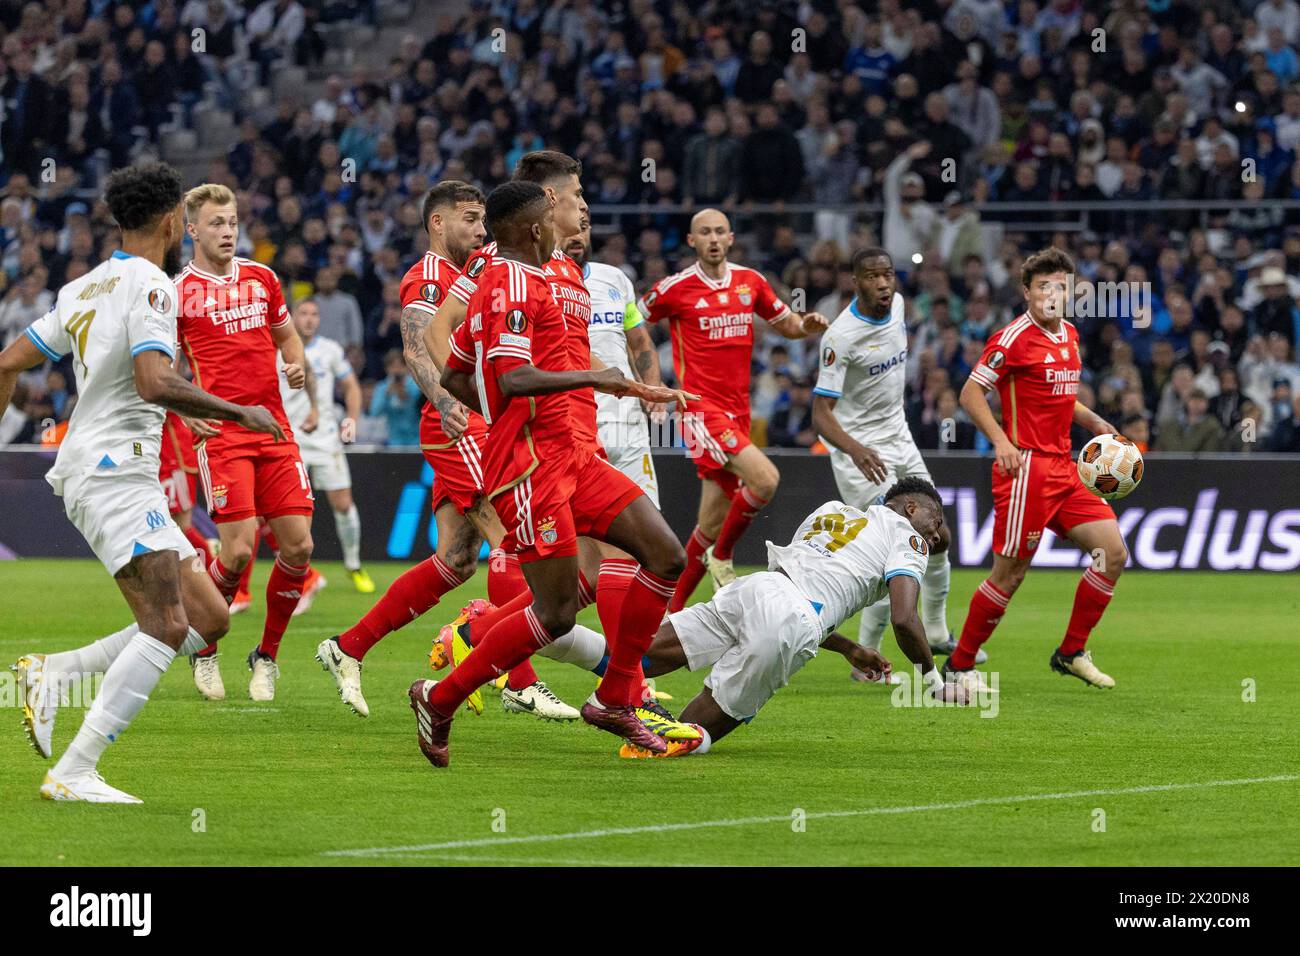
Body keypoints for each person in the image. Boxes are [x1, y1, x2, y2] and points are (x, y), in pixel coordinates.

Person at [0, 161, 282, 802]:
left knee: (209, 617)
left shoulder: (84, 288)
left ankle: (55, 673)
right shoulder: (156, 286)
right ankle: (75, 771)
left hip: (106, 470)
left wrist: (185, 410)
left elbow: (9, 362)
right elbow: (154, 380)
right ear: (172, 221)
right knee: (163, 623)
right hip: (113, 474)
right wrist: (237, 411)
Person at [410, 180, 697, 767]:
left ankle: (616, 694)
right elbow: (511, 377)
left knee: (666, 555)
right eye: (564, 203)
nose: (581, 212)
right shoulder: (510, 281)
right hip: (530, 471)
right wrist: (601, 381)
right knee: (557, 611)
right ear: (537, 226)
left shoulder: (555, 278)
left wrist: (612, 384)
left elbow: (463, 371)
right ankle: (439, 699)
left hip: (576, 457)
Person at [316, 180, 577, 721]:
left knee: (457, 560)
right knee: (513, 538)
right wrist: (447, 399)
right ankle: (518, 680)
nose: (481, 229)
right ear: (438, 223)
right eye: (470, 219)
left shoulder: (480, 266)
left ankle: (348, 647)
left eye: (484, 219)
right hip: (458, 425)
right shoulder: (428, 277)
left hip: (477, 426)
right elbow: (418, 347)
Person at [624, 479, 971, 757]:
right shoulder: (910, 538)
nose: (937, 534)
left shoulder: (832, 510)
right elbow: (904, 619)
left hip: (756, 587)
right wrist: (933, 684)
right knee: (685, 737)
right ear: (911, 507)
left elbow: (795, 588)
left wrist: (849, 648)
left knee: (636, 657)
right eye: (936, 520)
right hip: (792, 621)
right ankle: (652, 739)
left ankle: (570, 644)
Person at [951, 248, 1128, 689]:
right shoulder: (1011, 339)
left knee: (1113, 554)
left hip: (1065, 468)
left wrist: (1092, 421)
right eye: (1044, 286)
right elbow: (971, 395)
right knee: (1009, 575)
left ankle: (1071, 652)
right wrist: (1000, 441)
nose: (1053, 294)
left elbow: (1060, 396)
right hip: (1025, 470)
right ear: (1027, 291)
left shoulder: (1068, 333)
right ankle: (959, 667)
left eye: (1061, 286)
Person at [636, 208, 829, 609]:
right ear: (691, 241)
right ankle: (723, 557)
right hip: (700, 410)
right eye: (704, 232)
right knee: (766, 480)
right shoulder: (675, 288)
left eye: (719, 231)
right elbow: (633, 326)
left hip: (738, 413)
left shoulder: (751, 282)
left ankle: (667, 616)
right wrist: (650, 382)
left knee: (707, 526)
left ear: (730, 238)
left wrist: (806, 326)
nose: (712, 238)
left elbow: (787, 324)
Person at [175, 183, 317, 703]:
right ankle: (206, 650)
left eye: (232, 221)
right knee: (235, 553)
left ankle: (267, 657)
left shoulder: (263, 278)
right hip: (224, 437)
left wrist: (296, 363)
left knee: (299, 545)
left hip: (274, 429)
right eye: (216, 223)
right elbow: (160, 369)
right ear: (192, 229)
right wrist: (185, 410)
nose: (228, 231)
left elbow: (287, 337)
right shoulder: (176, 292)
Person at [811, 247, 981, 681]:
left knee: (936, 534)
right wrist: (854, 448)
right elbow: (820, 415)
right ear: (855, 281)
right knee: (893, 552)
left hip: (900, 439)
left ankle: (939, 629)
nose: (883, 283)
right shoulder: (840, 337)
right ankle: (869, 661)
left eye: (888, 274)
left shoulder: (901, 306)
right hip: (861, 456)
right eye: (872, 276)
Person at [278, 297, 374, 593]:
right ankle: (301, 573)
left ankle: (353, 564)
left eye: (314, 314)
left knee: (343, 504)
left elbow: (351, 386)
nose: (309, 319)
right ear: (292, 316)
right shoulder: (277, 350)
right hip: (290, 439)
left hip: (326, 437)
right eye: (303, 313)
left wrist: (352, 419)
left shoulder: (330, 350)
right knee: (294, 511)